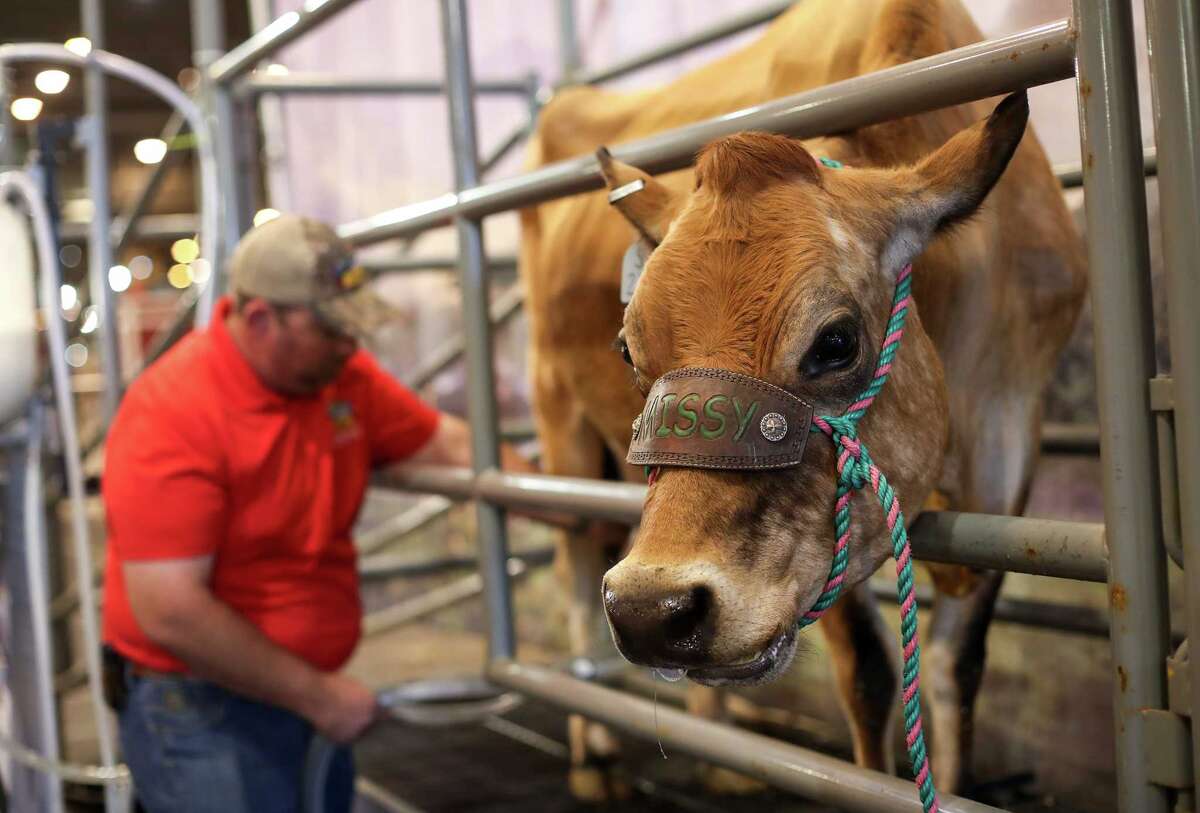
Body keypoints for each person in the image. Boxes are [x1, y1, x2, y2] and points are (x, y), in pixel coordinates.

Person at [100, 214, 538, 812]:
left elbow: (448, 443)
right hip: (200, 708)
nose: (350, 345)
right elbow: (171, 612)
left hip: (299, 697)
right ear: (259, 319)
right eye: (332, 330)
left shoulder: (337, 379)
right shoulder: (173, 412)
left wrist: (569, 504)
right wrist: (320, 698)